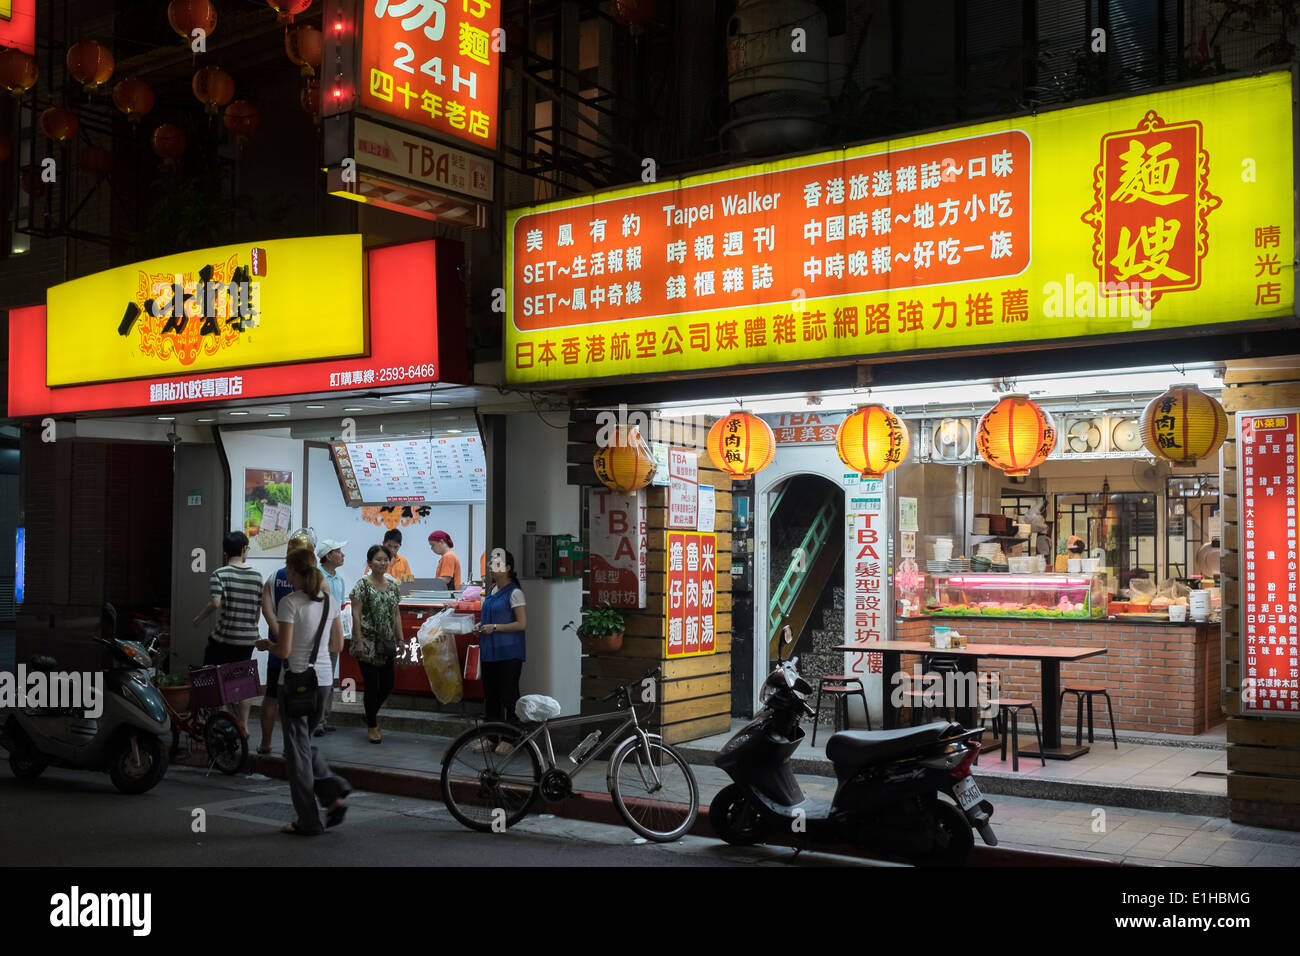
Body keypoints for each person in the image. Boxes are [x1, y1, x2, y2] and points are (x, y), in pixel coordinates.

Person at [262, 547, 349, 836]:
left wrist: (266, 646)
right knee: (301, 745)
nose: (285, 574)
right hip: (324, 682)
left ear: (295, 572)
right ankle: (332, 793)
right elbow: (337, 645)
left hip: (296, 684)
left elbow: (284, 649)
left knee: (296, 753)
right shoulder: (330, 602)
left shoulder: (290, 603)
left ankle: (309, 820)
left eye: (288, 568)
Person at [192, 531, 263, 726]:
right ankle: (245, 726)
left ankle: (223, 716)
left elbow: (215, 603)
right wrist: (251, 627)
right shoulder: (257, 576)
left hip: (225, 637)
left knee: (215, 675)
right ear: (243, 550)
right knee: (244, 681)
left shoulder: (219, 574)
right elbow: (258, 609)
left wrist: (198, 618)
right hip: (248, 638)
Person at [259, 528, 317, 754]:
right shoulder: (316, 580)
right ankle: (291, 747)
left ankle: (265, 743)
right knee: (299, 700)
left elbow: (267, 610)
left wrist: (279, 635)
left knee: (272, 697)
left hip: (278, 649)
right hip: (303, 652)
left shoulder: (274, 577)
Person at [349, 544, 403, 744]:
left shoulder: (393, 586)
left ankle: (369, 713)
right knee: (372, 685)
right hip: (368, 642)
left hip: (386, 642)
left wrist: (401, 638)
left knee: (388, 685)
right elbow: (355, 614)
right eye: (378, 559)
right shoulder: (362, 585)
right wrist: (359, 641)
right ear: (370, 562)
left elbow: (396, 614)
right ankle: (372, 725)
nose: (382, 563)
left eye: (385, 559)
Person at [475, 549, 527, 755]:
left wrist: (494, 627)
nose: (490, 567)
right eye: (490, 564)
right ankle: (491, 738)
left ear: (507, 569)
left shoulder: (515, 593)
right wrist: (482, 625)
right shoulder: (492, 590)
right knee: (491, 697)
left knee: (508, 696)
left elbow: (521, 624)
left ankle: (511, 738)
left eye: (495, 564)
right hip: (489, 651)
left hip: (509, 652)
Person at [315, 538, 348, 737]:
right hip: (319, 634)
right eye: (338, 551)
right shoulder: (317, 577)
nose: (342, 555)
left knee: (328, 677)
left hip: (333, 634)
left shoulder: (340, 579)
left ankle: (324, 717)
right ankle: (316, 719)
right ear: (328, 556)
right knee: (318, 677)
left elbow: (339, 608)